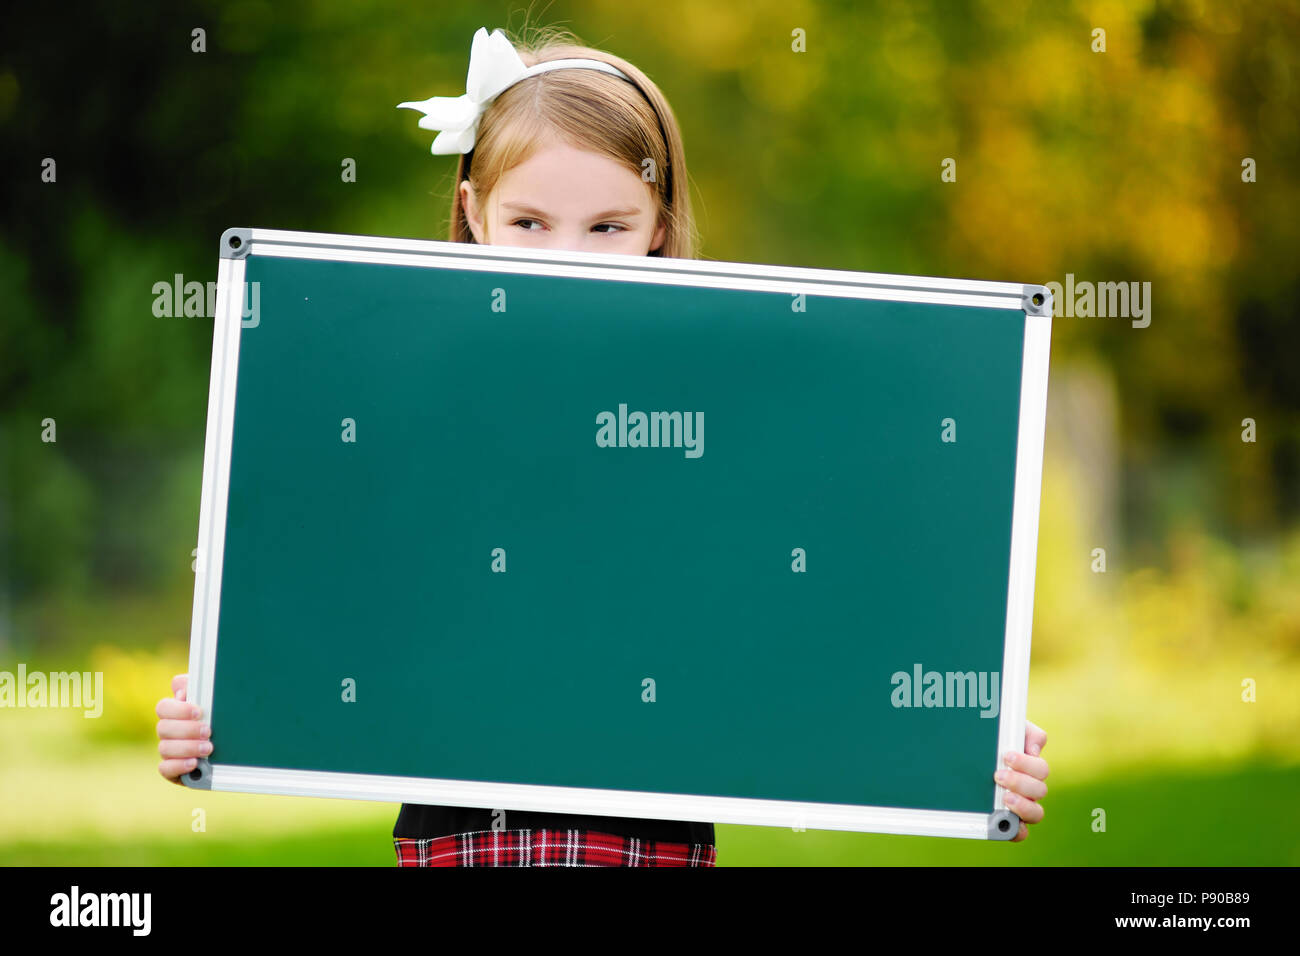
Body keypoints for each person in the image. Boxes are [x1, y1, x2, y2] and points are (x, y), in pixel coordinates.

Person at [156, 24, 1050, 866]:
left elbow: (838, 601)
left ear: (659, 223)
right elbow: (326, 588)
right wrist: (221, 707)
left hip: (644, 839)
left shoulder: (724, 402)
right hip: (463, 840)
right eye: (531, 222)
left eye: (608, 227)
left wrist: (968, 750)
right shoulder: (401, 391)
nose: (566, 256)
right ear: (472, 212)